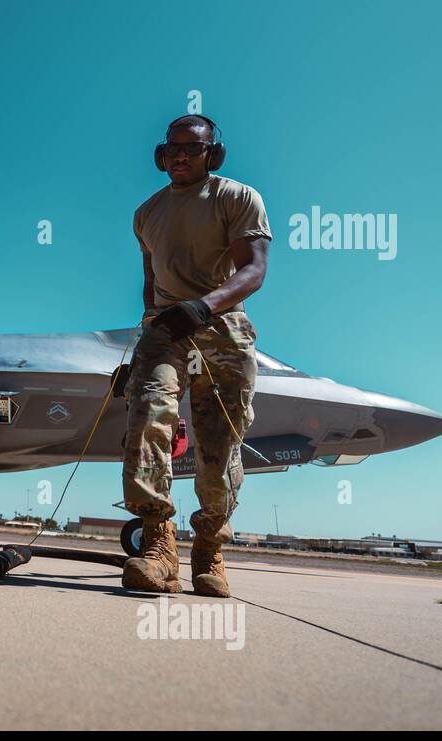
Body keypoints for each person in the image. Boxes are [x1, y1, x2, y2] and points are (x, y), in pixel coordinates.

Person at [120, 114, 270, 597]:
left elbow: (254, 270)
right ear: (161, 155)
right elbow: (150, 287)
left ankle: (209, 548)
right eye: (173, 148)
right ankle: (159, 547)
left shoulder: (238, 198)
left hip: (221, 328)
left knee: (219, 445)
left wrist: (203, 306)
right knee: (146, 418)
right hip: (165, 331)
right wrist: (139, 355)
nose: (182, 155)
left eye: (193, 147)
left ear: (213, 154)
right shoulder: (146, 214)